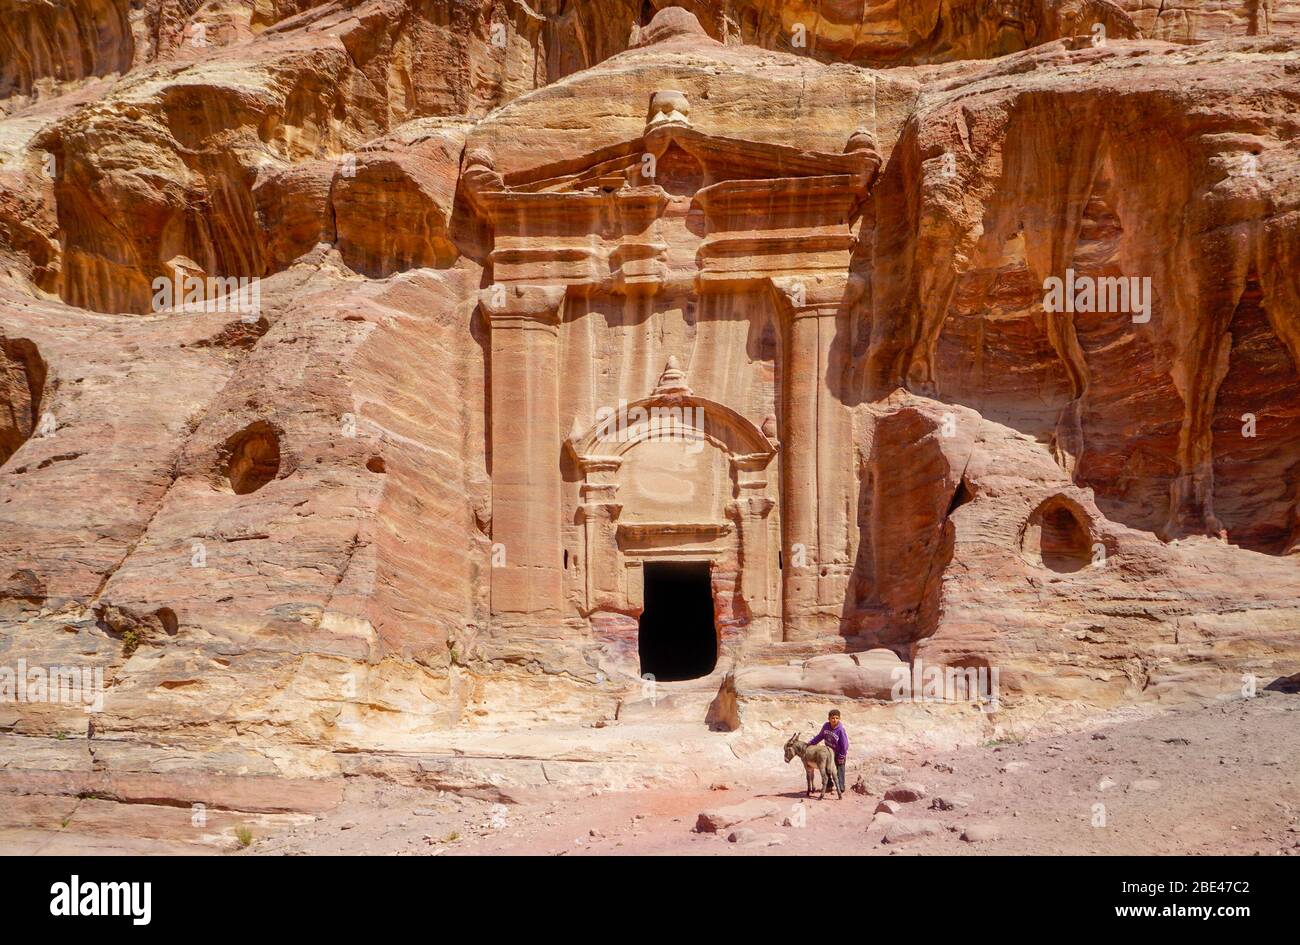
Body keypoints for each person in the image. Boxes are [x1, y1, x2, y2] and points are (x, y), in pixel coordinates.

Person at [807, 709, 848, 795]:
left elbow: (845, 745)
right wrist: (811, 743)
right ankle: (829, 785)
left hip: (838, 753)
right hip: (828, 753)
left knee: (839, 770)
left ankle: (841, 787)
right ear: (828, 718)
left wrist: (842, 756)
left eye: (837, 718)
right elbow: (820, 736)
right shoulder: (826, 726)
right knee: (826, 769)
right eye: (832, 718)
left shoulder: (840, 729)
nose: (834, 720)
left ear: (839, 718)